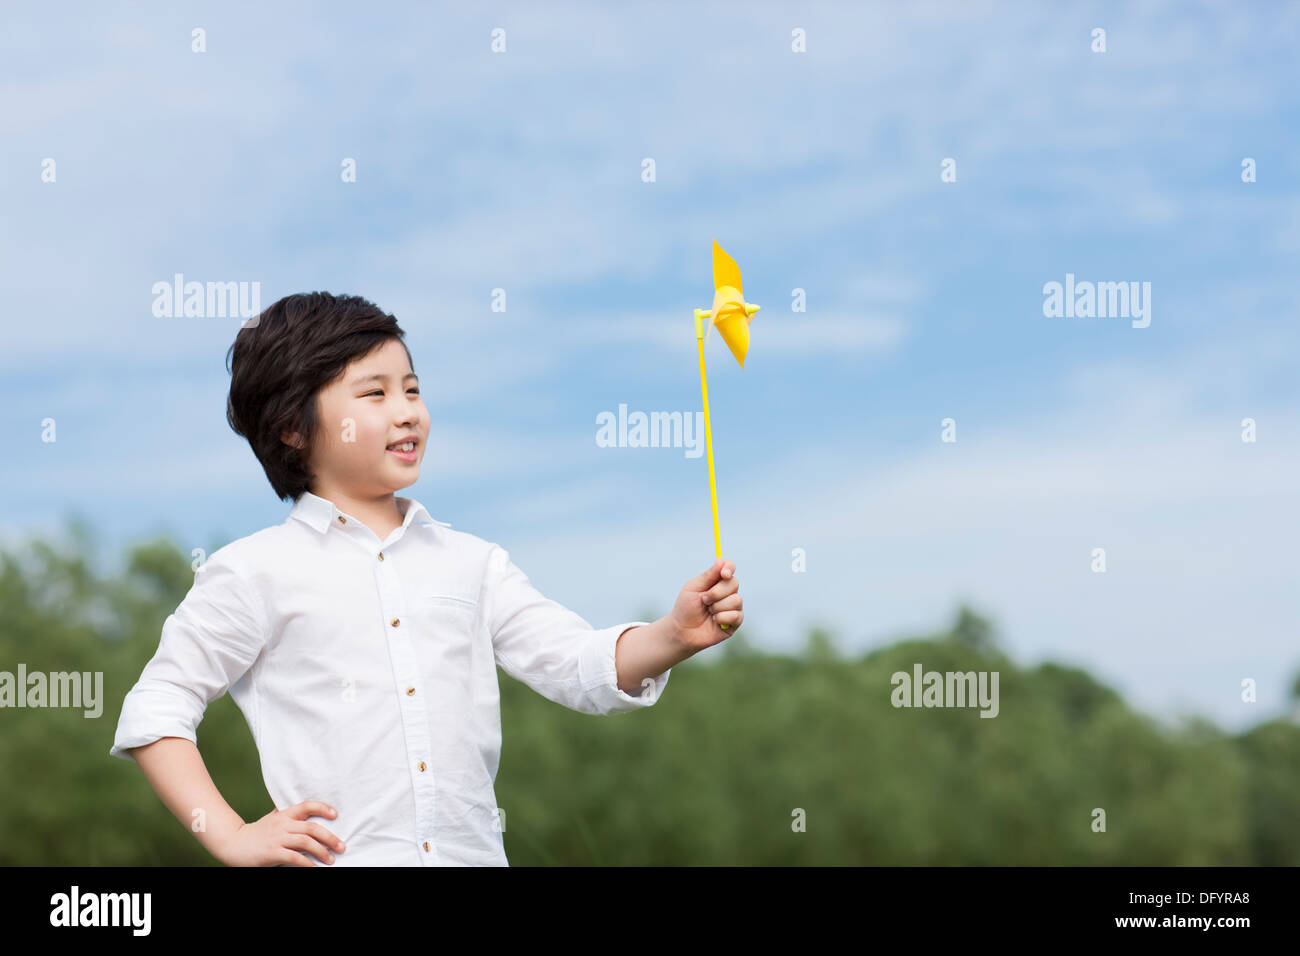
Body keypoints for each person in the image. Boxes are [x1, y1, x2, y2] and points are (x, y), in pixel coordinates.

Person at [108, 291, 743, 866]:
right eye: (374, 394)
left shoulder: (474, 562)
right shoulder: (254, 571)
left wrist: (674, 635)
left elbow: (573, 663)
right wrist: (231, 833)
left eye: (411, 390)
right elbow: (157, 708)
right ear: (294, 428)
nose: (407, 412)